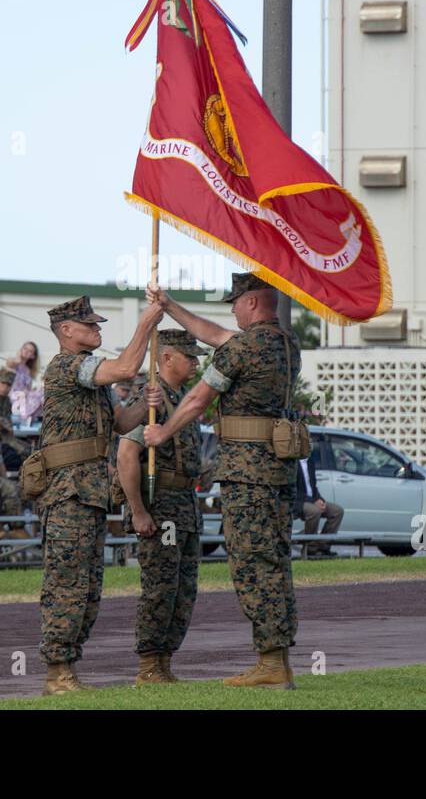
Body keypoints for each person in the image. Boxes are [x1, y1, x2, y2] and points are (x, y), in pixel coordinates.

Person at [144, 273, 300, 689]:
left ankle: (270, 663)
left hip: (247, 475)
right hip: (278, 473)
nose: (231, 308)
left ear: (251, 302)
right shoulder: (285, 344)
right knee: (275, 561)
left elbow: (197, 399)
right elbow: (217, 335)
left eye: (235, 302)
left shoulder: (243, 349)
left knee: (252, 563)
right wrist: (171, 306)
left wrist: (161, 433)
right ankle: (278, 659)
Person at [34, 294, 162, 695]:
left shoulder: (89, 377)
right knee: (68, 585)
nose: (98, 330)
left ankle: (68, 668)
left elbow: (121, 422)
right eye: (90, 326)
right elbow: (126, 366)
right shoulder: (68, 366)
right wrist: (146, 323)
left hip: (89, 493)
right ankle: (57, 673)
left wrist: (145, 401)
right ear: (66, 331)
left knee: (88, 586)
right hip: (69, 493)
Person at [115, 329, 208, 685]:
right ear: (167, 357)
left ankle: (165, 661)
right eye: (189, 356)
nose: (196, 363)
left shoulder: (181, 398)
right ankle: (149, 664)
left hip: (184, 505)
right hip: (162, 507)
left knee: (184, 589)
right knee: (160, 587)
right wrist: (138, 511)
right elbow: (126, 455)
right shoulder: (151, 401)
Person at [296, 451, 343, 555]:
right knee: (314, 511)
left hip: (311, 500)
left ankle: (323, 547)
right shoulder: (292, 463)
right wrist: (313, 502)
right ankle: (310, 549)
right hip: (296, 501)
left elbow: (313, 487)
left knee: (337, 511)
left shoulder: (310, 462)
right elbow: (293, 490)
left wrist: (320, 500)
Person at [6, 340, 43, 427]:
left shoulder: (28, 370)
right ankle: (26, 417)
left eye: (30, 351)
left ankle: (29, 418)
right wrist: (19, 358)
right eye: (25, 348)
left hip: (23, 397)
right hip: (13, 396)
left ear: (33, 356)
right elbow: (10, 364)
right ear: (21, 349)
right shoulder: (13, 362)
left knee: (43, 393)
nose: (26, 351)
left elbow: (28, 388)